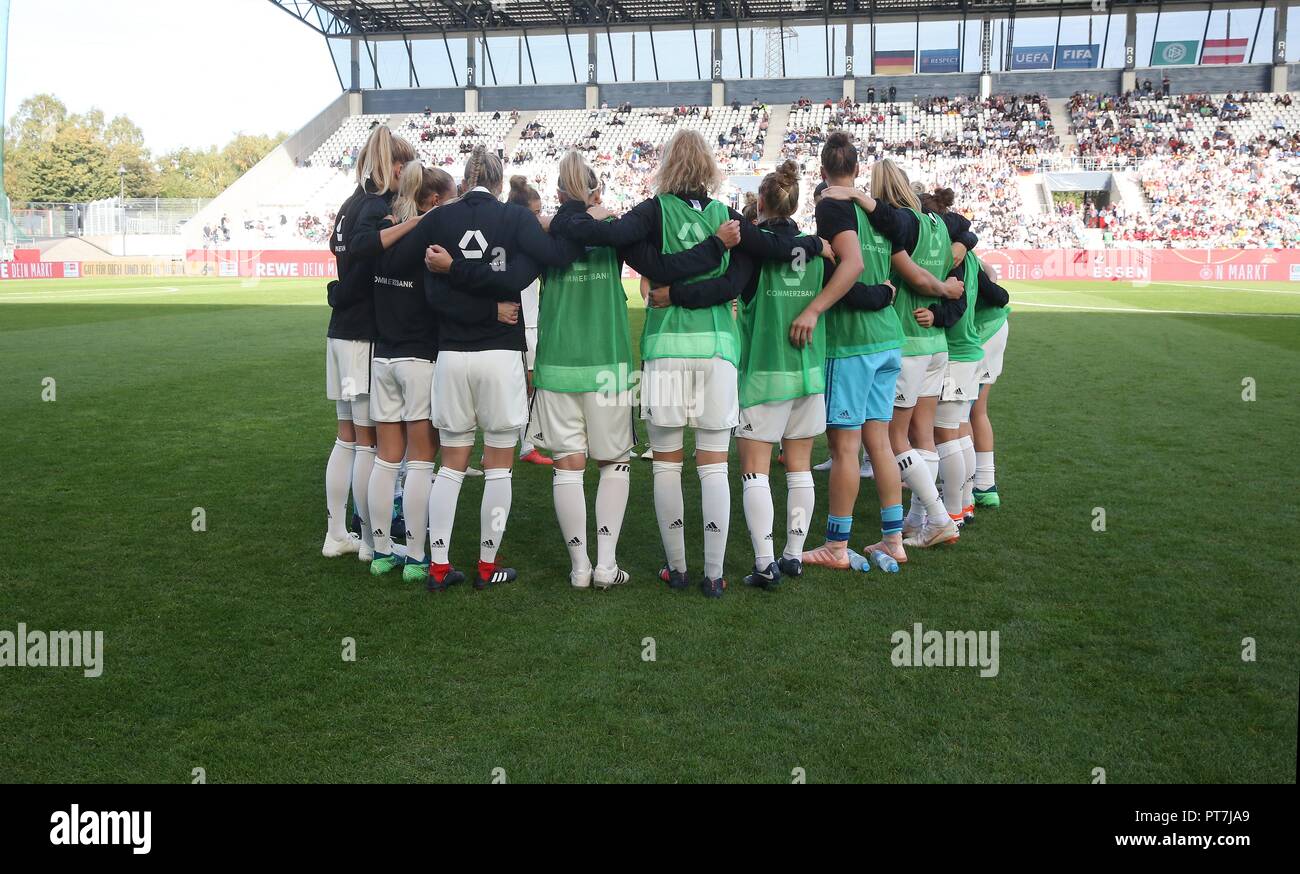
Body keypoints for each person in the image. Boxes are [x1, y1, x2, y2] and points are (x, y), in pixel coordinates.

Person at [432, 151, 740, 589]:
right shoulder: (615, 234)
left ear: (558, 193)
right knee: (614, 464)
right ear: (597, 192)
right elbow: (658, 265)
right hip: (608, 362)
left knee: (567, 466)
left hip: (558, 362)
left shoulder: (543, 232)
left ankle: (579, 567)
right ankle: (606, 565)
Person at [560, 130, 828, 597]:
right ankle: (714, 574)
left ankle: (677, 568)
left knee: (666, 464)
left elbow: (627, 247)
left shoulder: (651, 211)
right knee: (712, 466)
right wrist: (817, 246)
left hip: (666, 349)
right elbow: (734, 284)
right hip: (718, 352)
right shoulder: (728, 217)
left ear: (667, 164)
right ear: (709, 167)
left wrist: (666, 283)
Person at [389, 145, 584, 591]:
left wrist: (455, 268)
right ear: (498, 182)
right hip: (499, 357)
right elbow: (546, 262)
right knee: (499, 465)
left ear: (462, 180)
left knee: (451, 464)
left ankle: (438, 567)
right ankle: (485, 564)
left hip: (452, 356)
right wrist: (506, 282)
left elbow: (431, 292)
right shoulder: (514, 220)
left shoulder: (439, 220)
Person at [820, 157, 968, 552]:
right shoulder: (933, 222)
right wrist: (948, 293)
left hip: (900, 340)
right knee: (919, 436)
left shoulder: (894, 224)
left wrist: (935, 292)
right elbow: (963, 232)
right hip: (931, 342)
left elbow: (911, 276)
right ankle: (921, 520)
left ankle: (935, 516)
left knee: (890, 439)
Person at [321, 125, 418, 562]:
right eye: (407, 167)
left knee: (346, 438)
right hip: (360, 335)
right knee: (366, 442)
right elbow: (361, 249)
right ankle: (368, 540)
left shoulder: (348, 202)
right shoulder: (376, 206)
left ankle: (337, 531)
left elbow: (340, 251)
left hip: (340, 332)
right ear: (395, 166)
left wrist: (339, 291)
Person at [365, 162, 457, 581]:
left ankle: (382, 551)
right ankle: (418, 555)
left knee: (387, 460)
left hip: (382, 357)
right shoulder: (429, 234)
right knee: (421, 461)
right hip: (418, 357)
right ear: (434, 200)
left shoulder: (386, 229)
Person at [505, 176, 553, 467]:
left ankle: (520, 444)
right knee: (525, 385)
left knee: (524, 386)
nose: (539, 217)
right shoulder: (523, 239)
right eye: (535, 212)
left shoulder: (512, 234)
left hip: (528, 320)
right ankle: (525, 445)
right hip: (522, 323)